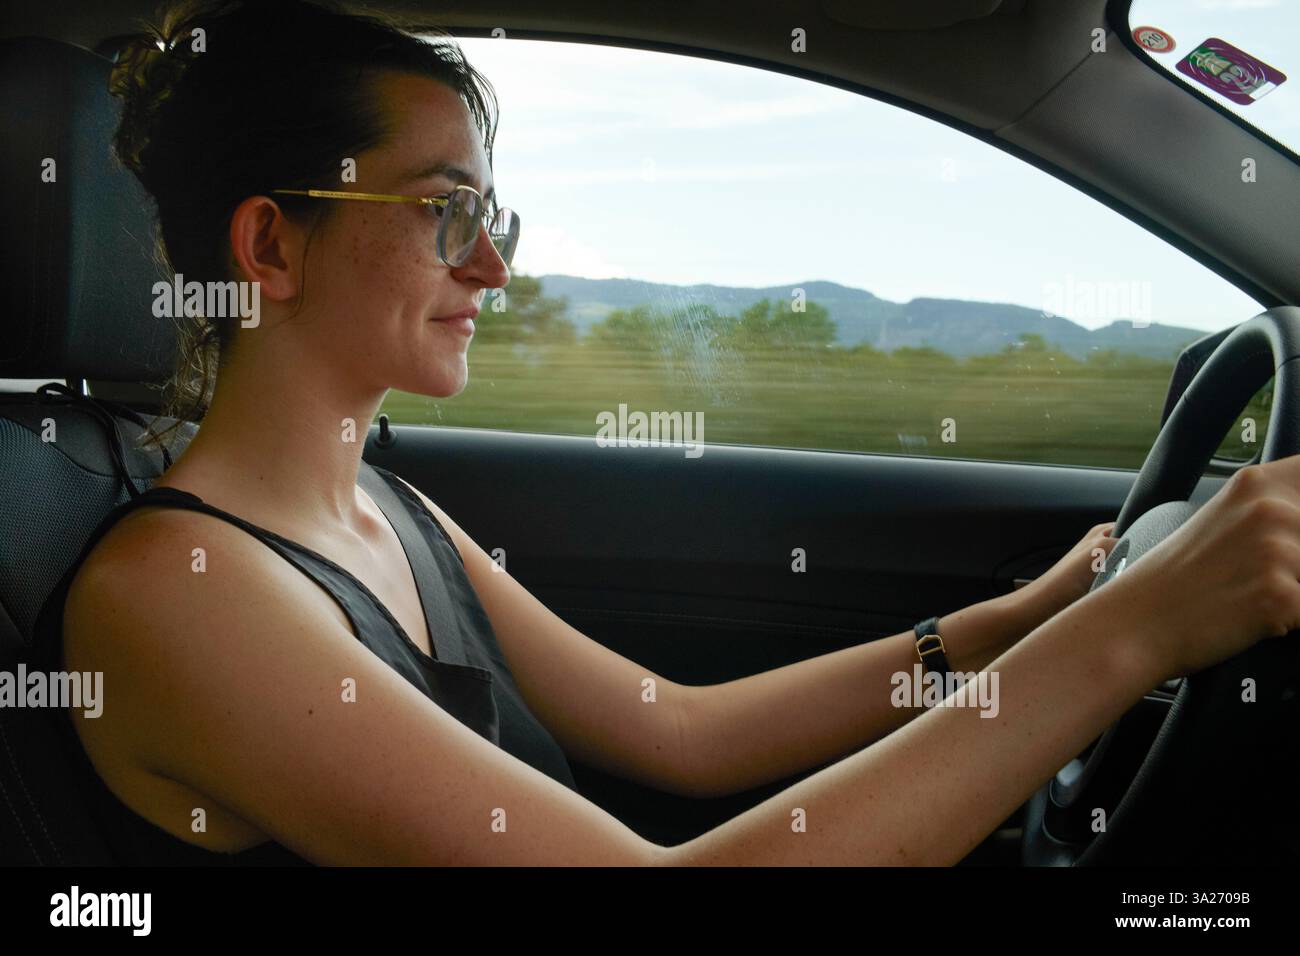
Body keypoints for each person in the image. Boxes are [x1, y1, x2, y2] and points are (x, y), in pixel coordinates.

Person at [39, 0, 1300, 865]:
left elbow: (686, 731)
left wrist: (1036, 615)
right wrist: (1139, 628)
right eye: (442, 212)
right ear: (269, 244)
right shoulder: (178, 597)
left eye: (495, 218)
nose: (491, 266)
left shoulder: (387, 511)